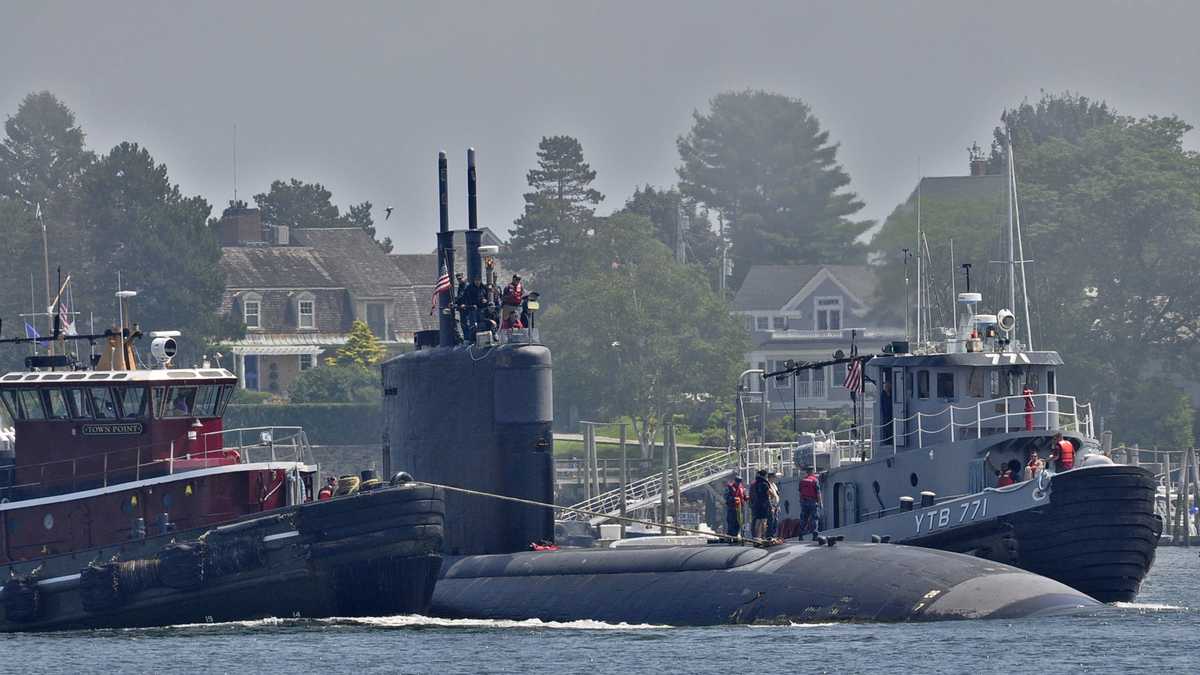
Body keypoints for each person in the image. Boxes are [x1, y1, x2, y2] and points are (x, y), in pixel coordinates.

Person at [798, 466, 822, 538]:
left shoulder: (802, 481)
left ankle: (801, 533)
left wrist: (801, 502)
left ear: (807, 472)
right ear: (812, 472)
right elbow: (818, 492)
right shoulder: (815, 480)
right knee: (814, 518)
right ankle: (815, 534)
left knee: (804, 518)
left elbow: (800, 492)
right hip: (812, 501)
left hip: (804, 502)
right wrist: (820, 502)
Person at [750, 470, 771, 539]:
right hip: (764, 505)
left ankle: (757, 536)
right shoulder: (765, 484)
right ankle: (763, 536)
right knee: (764, 521)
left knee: (758, 520)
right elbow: (770, 494)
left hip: (756, 504)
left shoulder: (755, 484)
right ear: (765, 475)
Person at [766, 471, 781, 538]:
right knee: (770, 521)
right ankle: (769, 535)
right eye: (774, 477)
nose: (775, 478)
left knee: (775, 521)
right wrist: (771, 506)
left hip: (776, 506)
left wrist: (778, 506)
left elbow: (777, 495)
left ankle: (773, 535)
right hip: (771, 506)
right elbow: (768, 496)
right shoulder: (767, 484)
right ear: (771, 477)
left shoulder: (774, 485)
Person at [879, 380, 894, 446]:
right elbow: (882, 404)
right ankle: (887, 441)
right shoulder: (883, 394)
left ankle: (892, 440)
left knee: (892, 427)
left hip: (892, 413)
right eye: (886, 385)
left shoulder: (892, 393)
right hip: (886, 414)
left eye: (888, 385)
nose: (887, 386)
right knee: (887, 428)